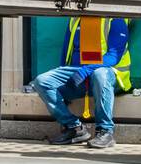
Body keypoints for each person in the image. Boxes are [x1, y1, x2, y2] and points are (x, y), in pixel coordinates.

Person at [31, 16, 131, 149]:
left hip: (109, 74)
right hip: (79, 74)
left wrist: (85, 71)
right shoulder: (75, 19)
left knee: (99, 74)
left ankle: (105, 131)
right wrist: (63, 82)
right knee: (42, 81)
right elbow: (66, 52)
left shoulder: (116, 19)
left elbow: (113, 56)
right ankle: (74, 128)